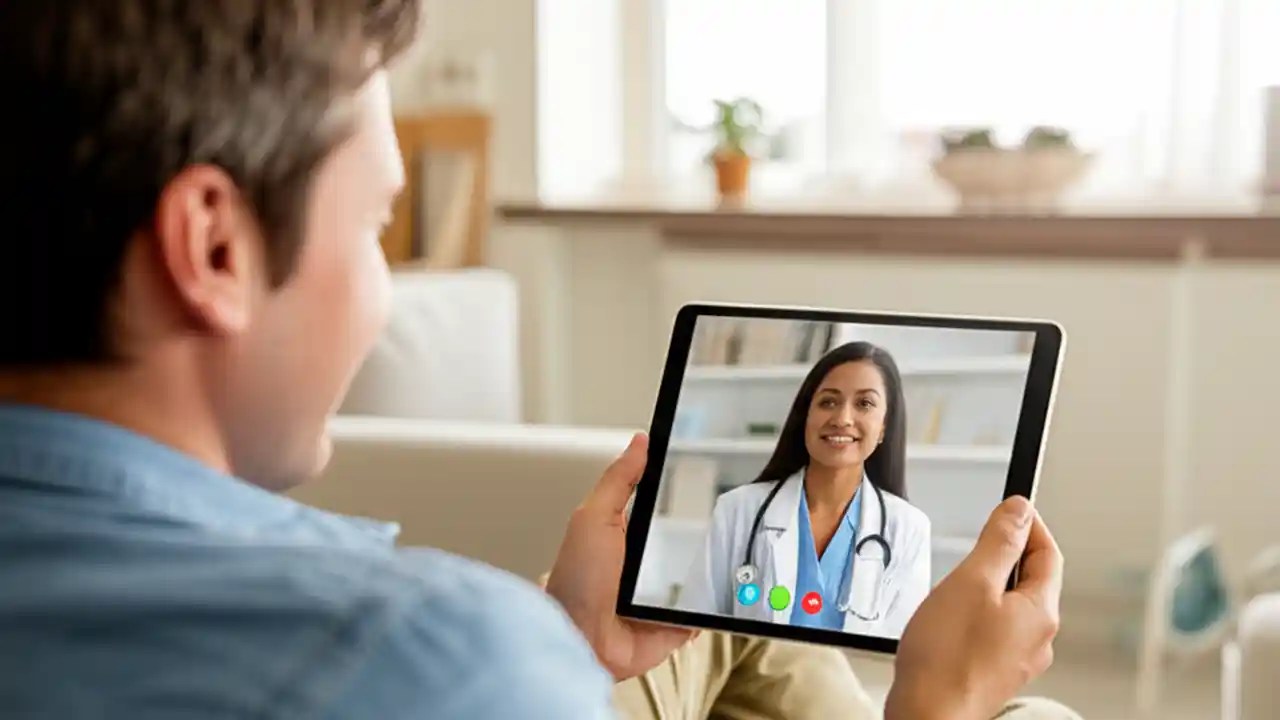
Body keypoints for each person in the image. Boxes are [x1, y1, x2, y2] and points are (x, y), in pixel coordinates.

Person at [0, 2, 1068, 719]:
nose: (382, 287)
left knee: (735, 633)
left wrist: (564, 640)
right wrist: (937, 712)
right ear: (215, 249)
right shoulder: (436, 654)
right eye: (378, 222)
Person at [678, 341, 931, 638]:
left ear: (884, 428)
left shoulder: (909, 529)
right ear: (806, 417)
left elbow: (902, 654)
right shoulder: (737, 510)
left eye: (864, 404)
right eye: (828, 402)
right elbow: (691, 632)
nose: (842, 419)